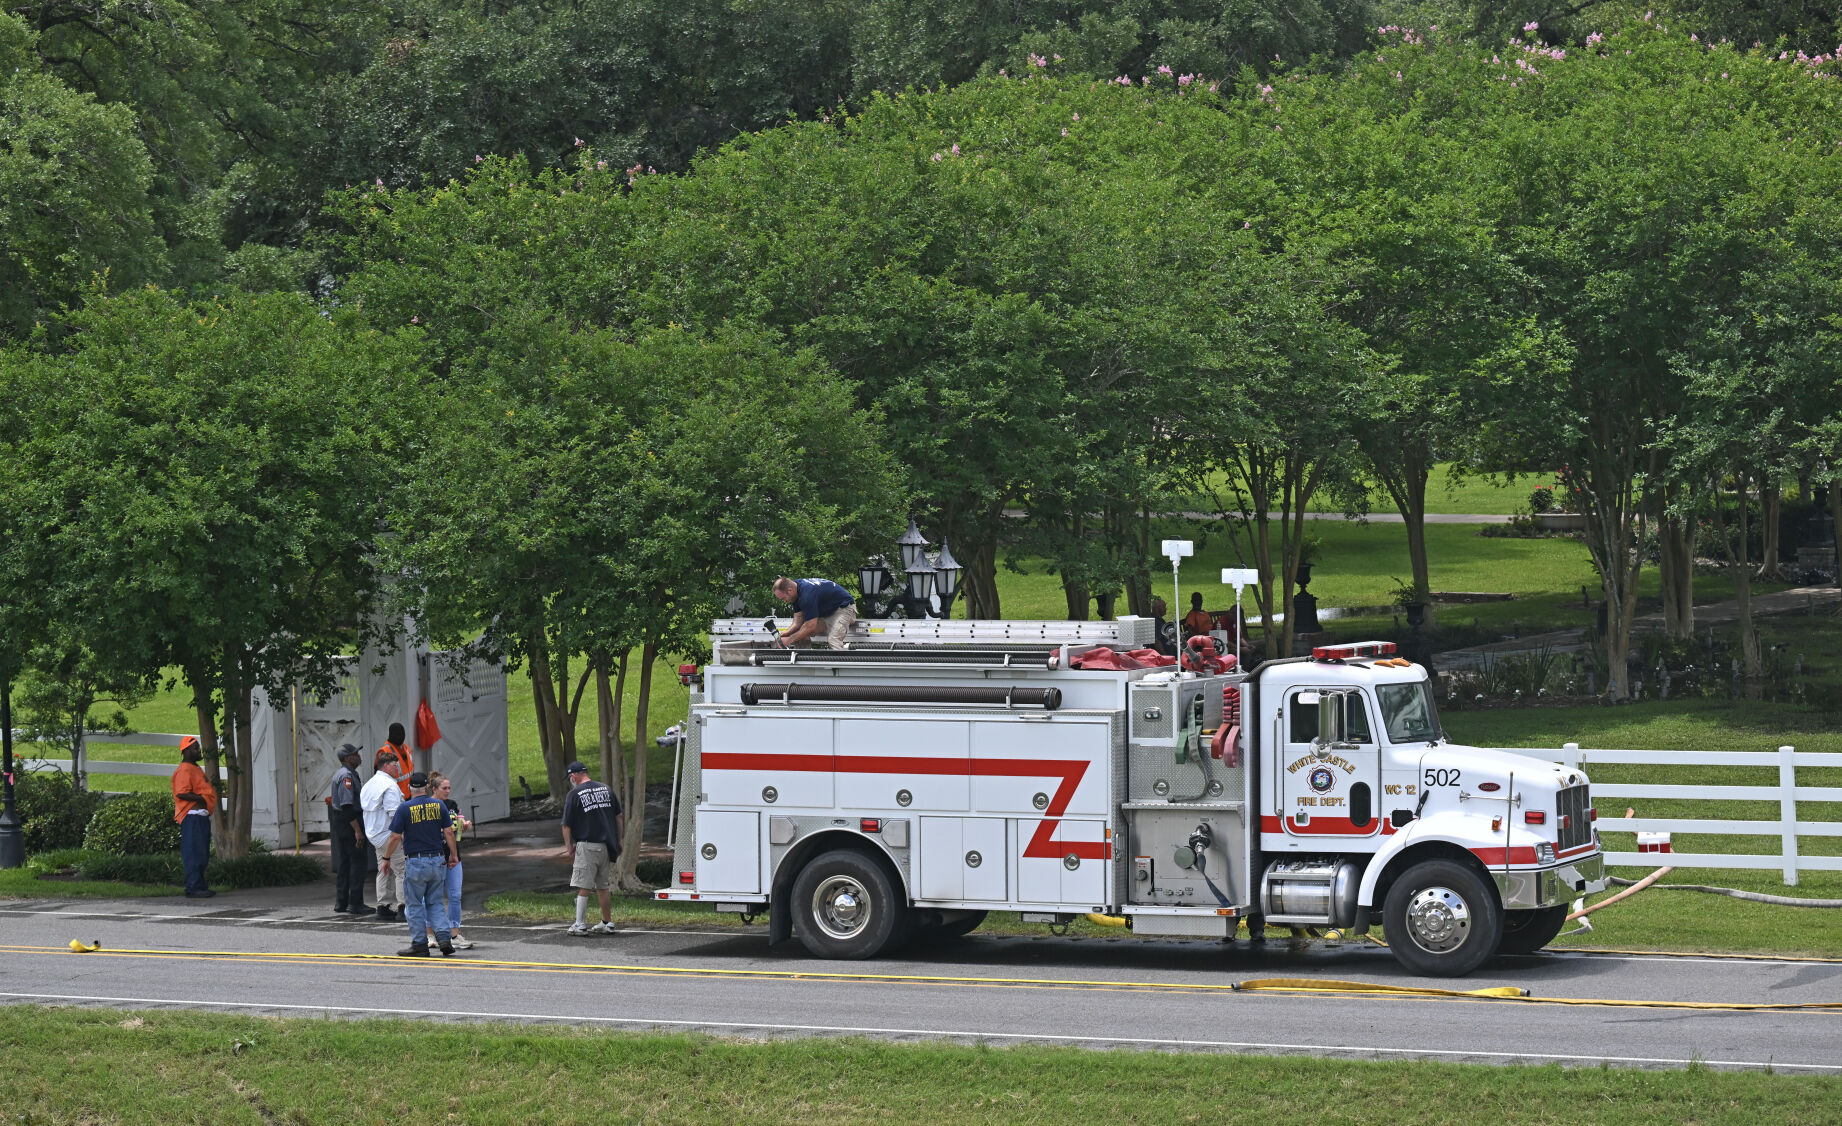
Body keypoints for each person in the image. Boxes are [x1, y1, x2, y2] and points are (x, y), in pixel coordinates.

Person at [380, 771, 458, 957]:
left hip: (416, 861)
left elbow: (395, 836)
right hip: (437, 859)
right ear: (428, 788)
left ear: (409, 788)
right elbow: (448, 832)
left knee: (414, 905)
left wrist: (386, 858)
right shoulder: (439, 805)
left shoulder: (404, 808)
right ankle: (444, 939)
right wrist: (453, 855)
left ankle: (419, 944)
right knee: (435, 902)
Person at [558, 759, 622, 936]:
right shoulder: (606, 789)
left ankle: (580, 924)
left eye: (570, 777)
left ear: (573, 776)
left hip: (587, 846)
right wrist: (618, 840)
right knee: (602, 886)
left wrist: (569, 846)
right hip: (606, 845)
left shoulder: (574, 794)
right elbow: (619, 817)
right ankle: (607, 923)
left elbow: (566, 825)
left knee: (583, 885)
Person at [425, 771, 474, 949]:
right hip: (435, 856)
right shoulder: (428, 805)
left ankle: (454, 934)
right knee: (431, 896)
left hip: (453, 855)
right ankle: (429, 934)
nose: (447, 791)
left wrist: (465, 826)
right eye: (444, 788)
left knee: (455, 895)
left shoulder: (452, 805)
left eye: (449, 788)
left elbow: (454, 829)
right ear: (434, 789)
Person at [170, 736, 216, 899]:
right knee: (194, 853)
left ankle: (200, 885)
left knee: (202, 853)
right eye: (196, 748)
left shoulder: (194, 768)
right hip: (192, 817)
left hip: (200, 817)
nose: (199, 751)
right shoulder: (184, 769)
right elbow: (181, 792)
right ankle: (193, 887)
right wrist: (203, 799)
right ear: (187, 751)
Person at [360, 759, 406, 921]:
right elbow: (394, 814)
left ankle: (383, 906)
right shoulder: (389, 786)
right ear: (385, 766)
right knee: (402, 870)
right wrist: (401, 835)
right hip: (390, 835)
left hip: (375, 835)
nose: (398, 768)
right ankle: (403, 908)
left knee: (384, 869)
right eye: (395, 765)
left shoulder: (369, 784)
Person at [326, 744, 370, 916]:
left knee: (344, 862)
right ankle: (355, 903)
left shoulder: (345, 774)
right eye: (355, 754)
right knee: (358, 862)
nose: (358, 756)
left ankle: (341, 901)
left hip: (342, 821)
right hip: (349, 821)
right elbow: (347, 805)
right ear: (348, 758)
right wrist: (358, 831)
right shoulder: (346, 776)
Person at [771, 576, 857, 649]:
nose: (784, 601)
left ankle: (839, 667)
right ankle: (803, 663)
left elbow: (810, 626)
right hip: (827, 613)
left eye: (783, 598)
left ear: (789, 590)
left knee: (833, 639)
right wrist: (787, 633)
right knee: (800, 633)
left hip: (844, 609)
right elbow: (798, 620)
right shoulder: (795, 590)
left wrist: (789, 640)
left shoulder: (807, 595)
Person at [375, 722, 414, 800]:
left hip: (408, 794)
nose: (401, 736)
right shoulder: (384, 751)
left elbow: (410, 770)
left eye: (402, 734)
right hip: (394, 796)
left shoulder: (406, 747)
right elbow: (379, 778)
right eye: (398, 734)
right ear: (391, 735)